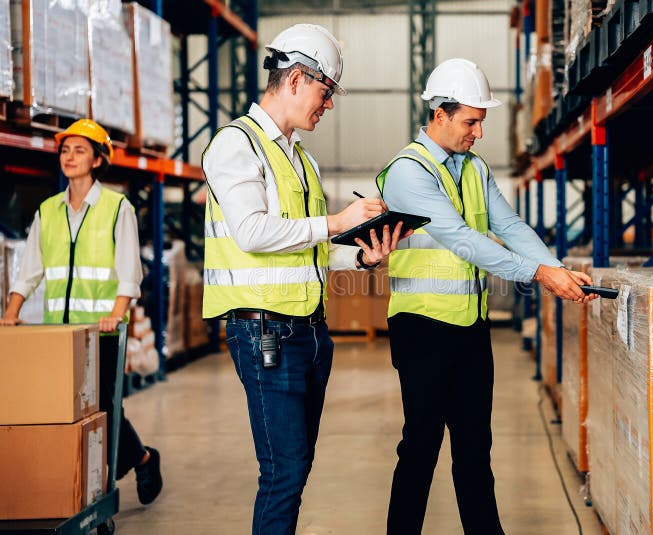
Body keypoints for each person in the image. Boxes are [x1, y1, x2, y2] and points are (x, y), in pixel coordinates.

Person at [201, 24, 408, 535]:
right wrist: (338, 222)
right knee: (283, 472)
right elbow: (251, 231)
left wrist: (360, 259)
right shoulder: (236, 145)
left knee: (295, 468)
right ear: (295, 78)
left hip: (309, 334)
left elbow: (310, 251)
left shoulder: (302, 161)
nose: (328, 105)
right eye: (326, 91)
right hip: (264, 332)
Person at [376, 58, 598, 535]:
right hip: (423, 328)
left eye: (481, 121)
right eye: (470, 121)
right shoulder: (406, 173)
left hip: (470, 328)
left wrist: (558, 270)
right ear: (440, 114)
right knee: (421, 446)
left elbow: (509, 225)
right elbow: (463, 239)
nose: (478, 132)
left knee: (476, 448)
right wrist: (539, 274)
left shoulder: (473, 168)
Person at [0, 118, 163, 505]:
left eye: (79, 150)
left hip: (101, 332)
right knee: (63, 410)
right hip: (59, 336)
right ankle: (114, 467)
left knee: (103, 408)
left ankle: (130, 465)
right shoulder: (48, 211)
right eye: (65, 150)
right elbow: (29, 272)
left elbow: (129, 272)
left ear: (97, 160)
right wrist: (11, 311)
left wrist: (117, 313)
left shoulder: (115, 208)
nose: (69, 157)